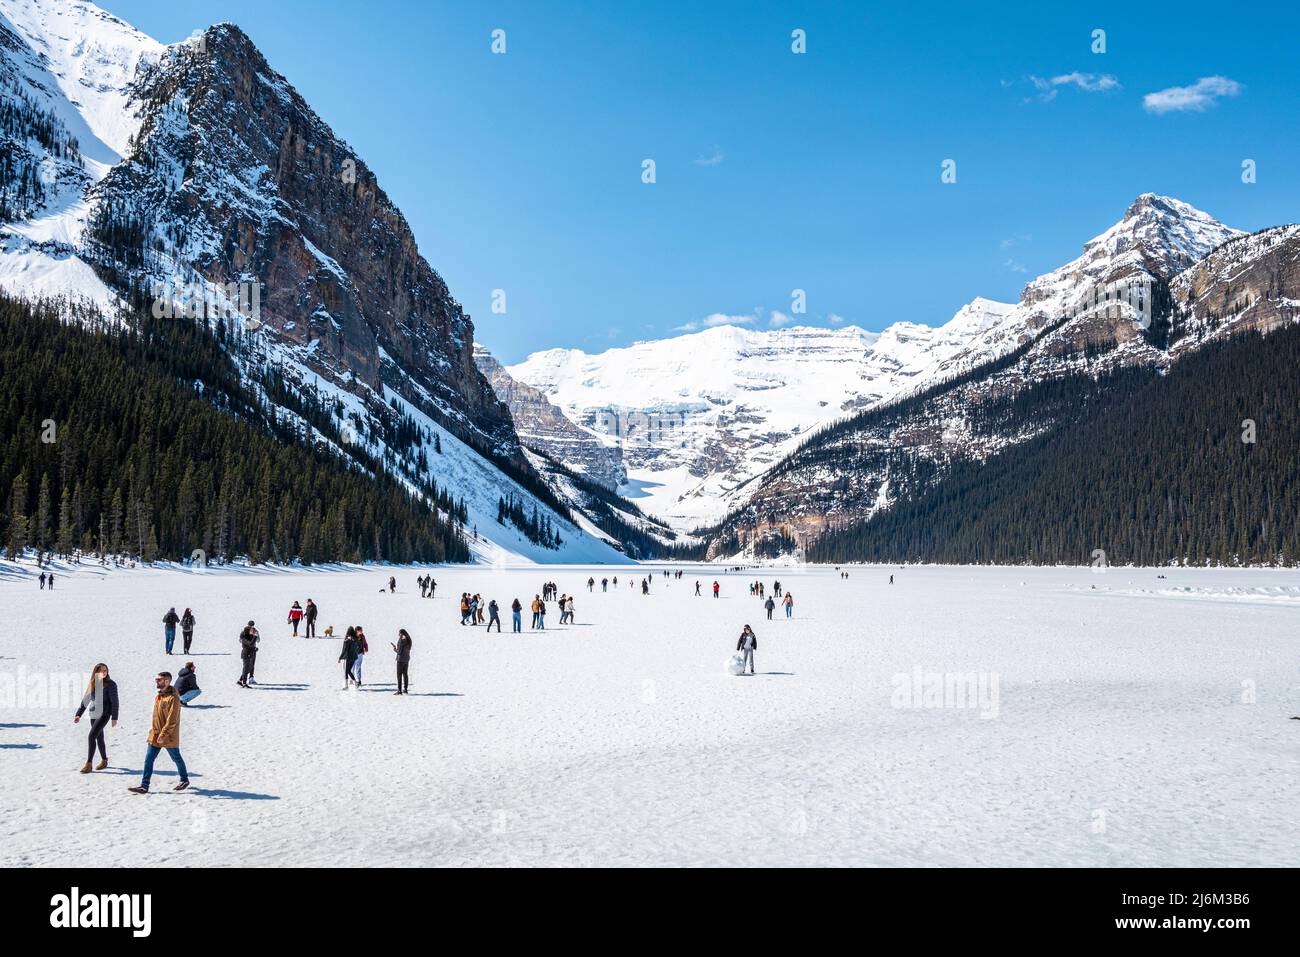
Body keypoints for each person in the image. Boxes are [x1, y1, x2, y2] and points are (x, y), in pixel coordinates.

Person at [128, 672, 190, 793]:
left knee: (176, 758)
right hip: (155, 734)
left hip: (168, 736)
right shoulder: (160, 696)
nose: (156, 681)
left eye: (159, 680)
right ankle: (144, 785)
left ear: (167, 681)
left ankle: (184, 779)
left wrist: (163, 734)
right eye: (156, 679)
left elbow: (172, 720)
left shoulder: (173, 698)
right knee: (148, 759)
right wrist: (154, 732)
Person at [74, 662, 118, 773]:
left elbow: (115, 702)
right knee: (99, 737)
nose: (104, 672)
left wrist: (114, 717)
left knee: (91, 736)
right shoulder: (93, 683)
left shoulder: (111, 684)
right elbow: (86, 700)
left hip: (104, 714)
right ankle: (104, 760)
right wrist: (79, 714)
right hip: (93, 714)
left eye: (105, 670)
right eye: (101, 670)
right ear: (96, 672)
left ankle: (89, 764)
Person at [237, 621, 259, 688]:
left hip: (250, 653)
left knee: (249, 668)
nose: (253, 631)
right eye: (251, 630)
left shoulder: (249, 636)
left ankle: (240, 681)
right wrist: (255, 636)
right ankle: (244, 683)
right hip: (246, 654)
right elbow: (250, 644)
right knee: (246, 668)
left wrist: (255, 649)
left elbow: (251, 645)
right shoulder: (244, 638)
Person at [392, 629, 412, 695]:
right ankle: (405, 689)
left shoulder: (401, 640)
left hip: (400, 660)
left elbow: (399, 652)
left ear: (401, 634)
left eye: (399, 633)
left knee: (399, 675)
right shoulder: (409, 640)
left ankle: (399, 690)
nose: (398, 635)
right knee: (405, 674)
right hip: (406, 659)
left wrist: (395, 649)